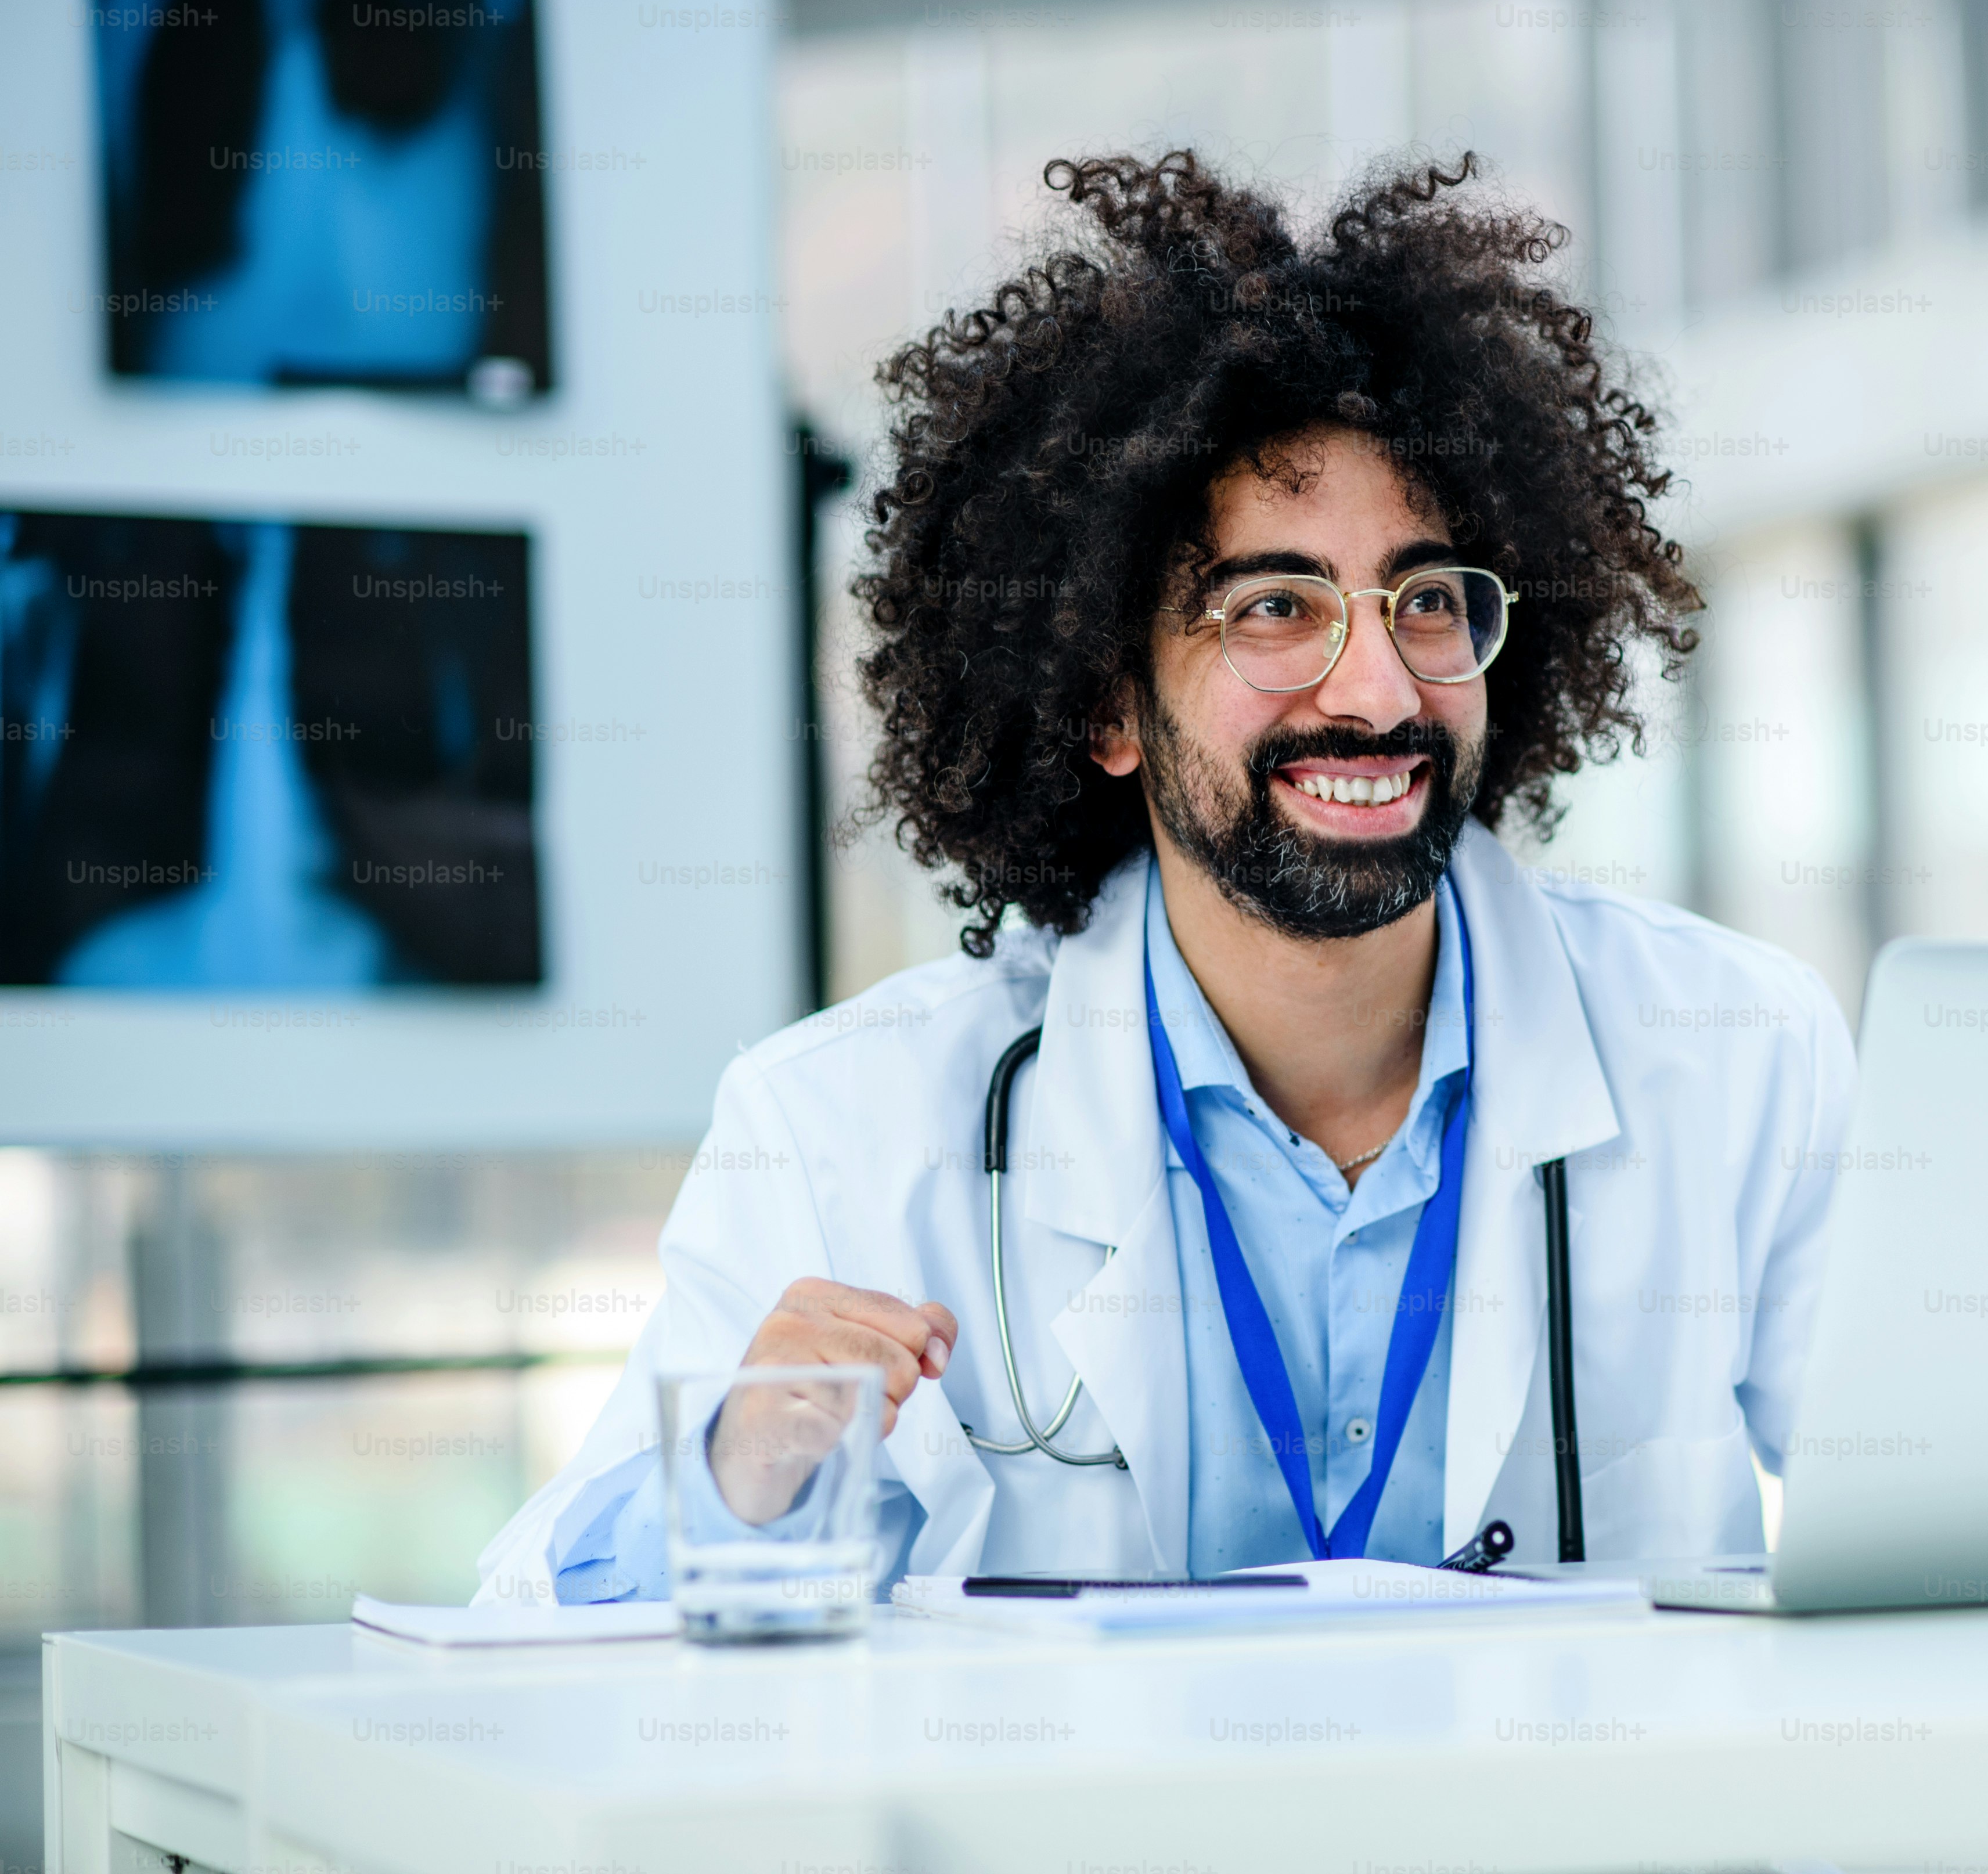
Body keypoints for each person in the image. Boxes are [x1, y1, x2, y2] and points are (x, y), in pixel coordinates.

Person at [475, 149, 1853, 1602]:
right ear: (1105, 703)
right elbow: (523, 1634)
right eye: (1275, 606)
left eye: (1428, 601)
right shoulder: (840, 1132)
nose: (1376, 687)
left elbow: (1967, 1533)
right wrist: (742, 1478)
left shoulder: (1738, 1049)